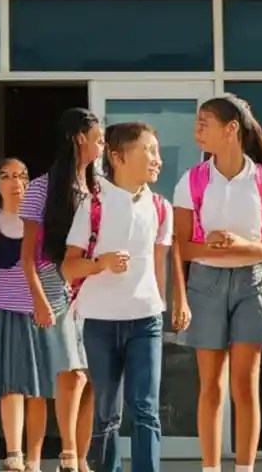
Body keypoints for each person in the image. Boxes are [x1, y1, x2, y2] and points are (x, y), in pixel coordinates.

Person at [176, 94, 262, 472]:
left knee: (245, 382)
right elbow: (181, 249)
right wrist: (211, 245)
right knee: (210, 386)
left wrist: (244, 246)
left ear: (232, 129)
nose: (197, 132)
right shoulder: (191, 181)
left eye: (204, 123)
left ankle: (245, 468)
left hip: (253, 283)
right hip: (205, 283)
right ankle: (210, 468)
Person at [62, 121, 179, 472]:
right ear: (117, 156)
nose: (157, 160)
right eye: (149, 150)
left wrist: (168, 304)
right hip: (99, 321)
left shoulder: (161, 207)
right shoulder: (93, 206)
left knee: (146, 409)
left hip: (146, 320)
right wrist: (101, 264)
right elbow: (68, 268)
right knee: (106, 414)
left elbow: (160, 268)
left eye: (157, 152)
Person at [20, 108, 103, 472]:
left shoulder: (101, 188)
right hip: (55, 284)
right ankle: (68, 453)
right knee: (72, 370)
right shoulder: (41, 187)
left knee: (94, 375)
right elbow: (27, 256)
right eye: (98, 138)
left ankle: (81, 458)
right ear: (79, 138)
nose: (102, 144)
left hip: (96, 284)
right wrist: (39, 298)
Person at [0, 158, 52, 472]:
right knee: (9, 385)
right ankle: (14, 455)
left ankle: (34, 459)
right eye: (6, 176)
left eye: (21, 176)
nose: (14, 182)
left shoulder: (41, 223)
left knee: (37, 387)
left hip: (36, 309)